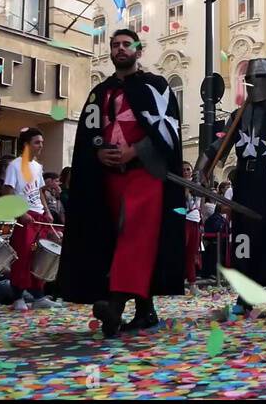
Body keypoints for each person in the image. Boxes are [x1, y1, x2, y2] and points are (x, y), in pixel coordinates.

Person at [59, 29, 186, 337]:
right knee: (115, 240)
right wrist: (99, 151)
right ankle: (145, 312)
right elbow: (91, 132)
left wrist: (135, 150)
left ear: (138, 50)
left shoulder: (156, 87)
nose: (119, 49)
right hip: (110, 180)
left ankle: (114, 307)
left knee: (135, 237)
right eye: (114, 45)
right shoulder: (100, 92)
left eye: (126, 44)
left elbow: (166, 130)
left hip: (145, 175)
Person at [196, 59, 266, 315]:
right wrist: (202, 167)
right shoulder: (238, 116)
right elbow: (218, 144)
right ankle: (246, 294)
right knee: (244, 238)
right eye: (251, 79)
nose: (254, 85)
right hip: (246, 183)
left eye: (259, 79)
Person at [1, 128, 62, 311]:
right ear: (27, 144)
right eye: (37, 142)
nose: (41, 146)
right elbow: (8, 191)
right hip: (24, 216)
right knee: (23, 256)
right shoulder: (15, 165)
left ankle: (38, 295)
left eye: (42, 142)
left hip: (38, 216)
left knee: (40, 256)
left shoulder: (37, 166)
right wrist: (20, 213)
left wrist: (47, 211)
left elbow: (40, 191)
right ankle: (18, 296)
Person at [181, 161, 202, 296]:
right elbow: (181, 206)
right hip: (184, 221)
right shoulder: (178, 185)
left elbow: (199, 204)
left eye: (188, 169)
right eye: (183, 170)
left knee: (192, 253)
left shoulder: (197, 185)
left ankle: (192, 284)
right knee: (181, 253)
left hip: (195, 220)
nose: (186, 172)